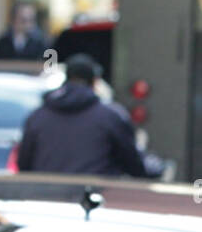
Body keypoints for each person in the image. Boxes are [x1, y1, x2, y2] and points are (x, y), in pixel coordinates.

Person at [17, 54, 148, 177]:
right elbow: (133, 165)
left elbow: (24, 165)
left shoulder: (38, 117)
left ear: (66, 79)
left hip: (46, 197)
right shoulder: (110, 117)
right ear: (94, 82)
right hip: (95, 196)